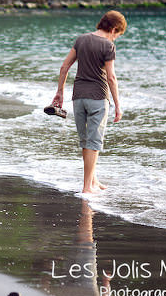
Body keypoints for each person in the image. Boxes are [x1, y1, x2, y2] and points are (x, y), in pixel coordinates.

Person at [51, 10, 127, 194]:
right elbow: (111, 77)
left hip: (78, 97)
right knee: (93, 143)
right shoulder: (108, 46)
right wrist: (117, 104)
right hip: (98, 98)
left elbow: (64, 67)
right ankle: (87, 188)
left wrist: (60, 92)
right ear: (114, 29)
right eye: (117, 35)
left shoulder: (81, 39)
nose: (115, 39)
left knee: (86, 141)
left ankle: (94, 180)